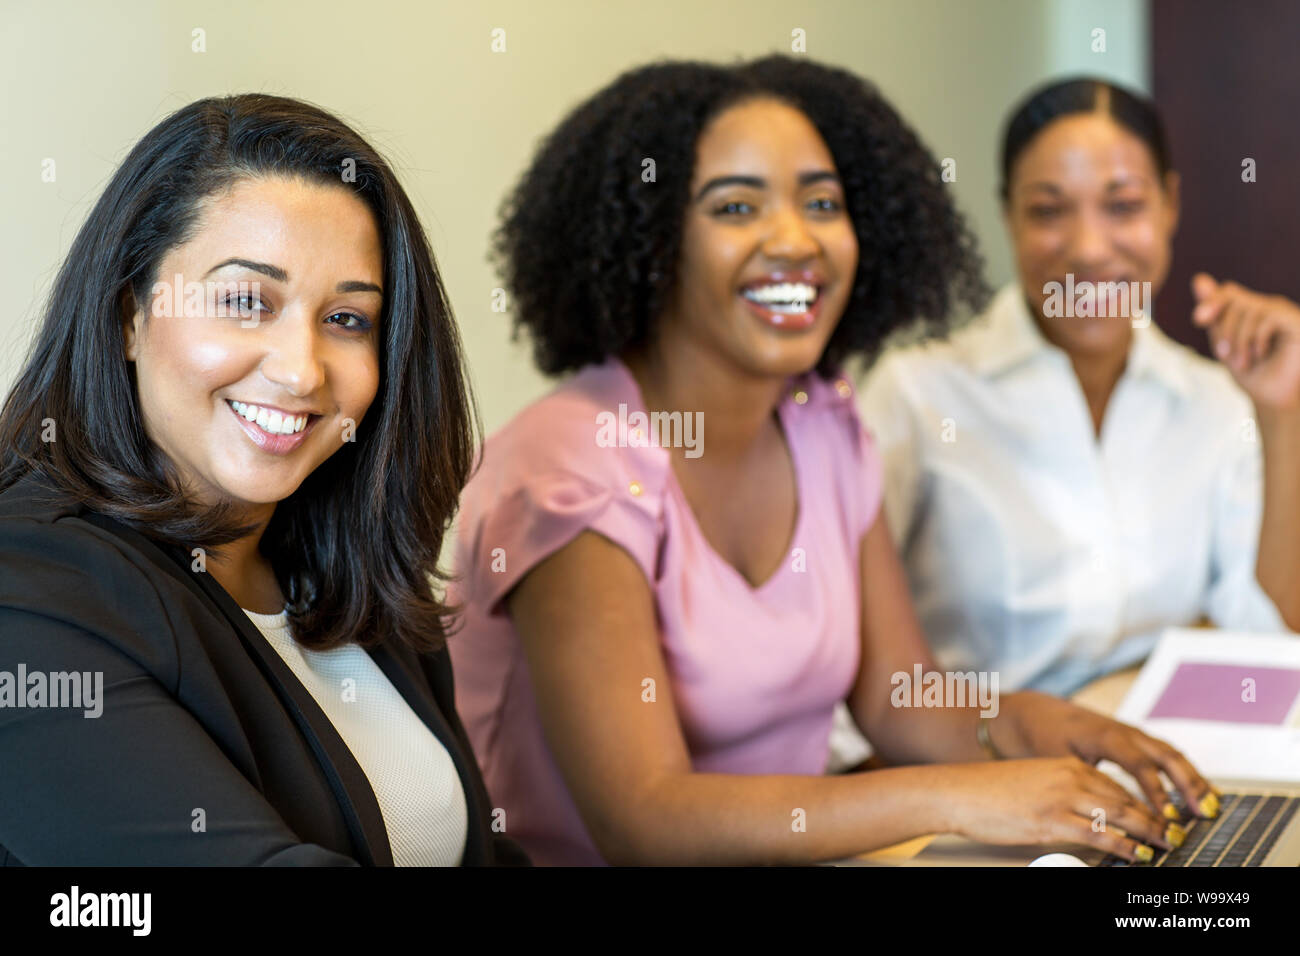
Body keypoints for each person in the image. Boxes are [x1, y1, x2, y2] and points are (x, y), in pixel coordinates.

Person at [448, 57, 1217, 867]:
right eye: (736, 207)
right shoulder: (572, 467)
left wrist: (1037, 722)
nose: (795, 239)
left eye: (823, 203)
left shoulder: (824, 425)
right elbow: (645, 820)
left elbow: (899, 700)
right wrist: (962, 794)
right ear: (650, 239)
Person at [0, 94, 527, 866]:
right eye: (248, 301)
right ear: (128, 316)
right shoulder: (28, 588)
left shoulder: (347, 569)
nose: (300, 368)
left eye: (347, 319)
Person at [855, 77, 1300, 707]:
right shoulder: (917, 396)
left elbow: (1267, 641)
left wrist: (1284, 413)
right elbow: (843, 659)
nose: (1089, 249)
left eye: (1123, 206)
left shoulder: (1217, 405)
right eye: (1048, 210)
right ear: (1007, 214)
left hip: (1159, 765)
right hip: (976, 775)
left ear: (1170, 205)